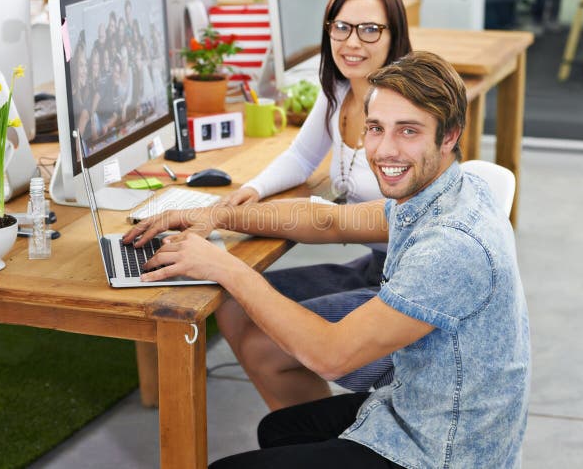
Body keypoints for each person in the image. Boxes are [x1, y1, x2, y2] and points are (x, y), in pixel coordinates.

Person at [124, 51, 530, 468]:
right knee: (280, 430)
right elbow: (329, 220)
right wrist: (217, 214)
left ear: (449, 136)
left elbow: (331, 356)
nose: (385, 150)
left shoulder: (450, 247)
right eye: (376, 128)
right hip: (424, 408)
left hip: (442, 450)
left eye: (408, 131)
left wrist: (225, 267)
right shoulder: (446, 190)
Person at [217, 0, 412, 409]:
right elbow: (303, 157)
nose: (352, 42)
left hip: (406, 284)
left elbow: (406, 218)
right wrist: (252, 189)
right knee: (231, 302)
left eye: (369, 30)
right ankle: (305, 436)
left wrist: (317, 218)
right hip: (374, 265)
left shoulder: (403, 111)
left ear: (394, 35)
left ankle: (320, 443)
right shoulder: (340, 90)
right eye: (341, 27)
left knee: (263, 346)